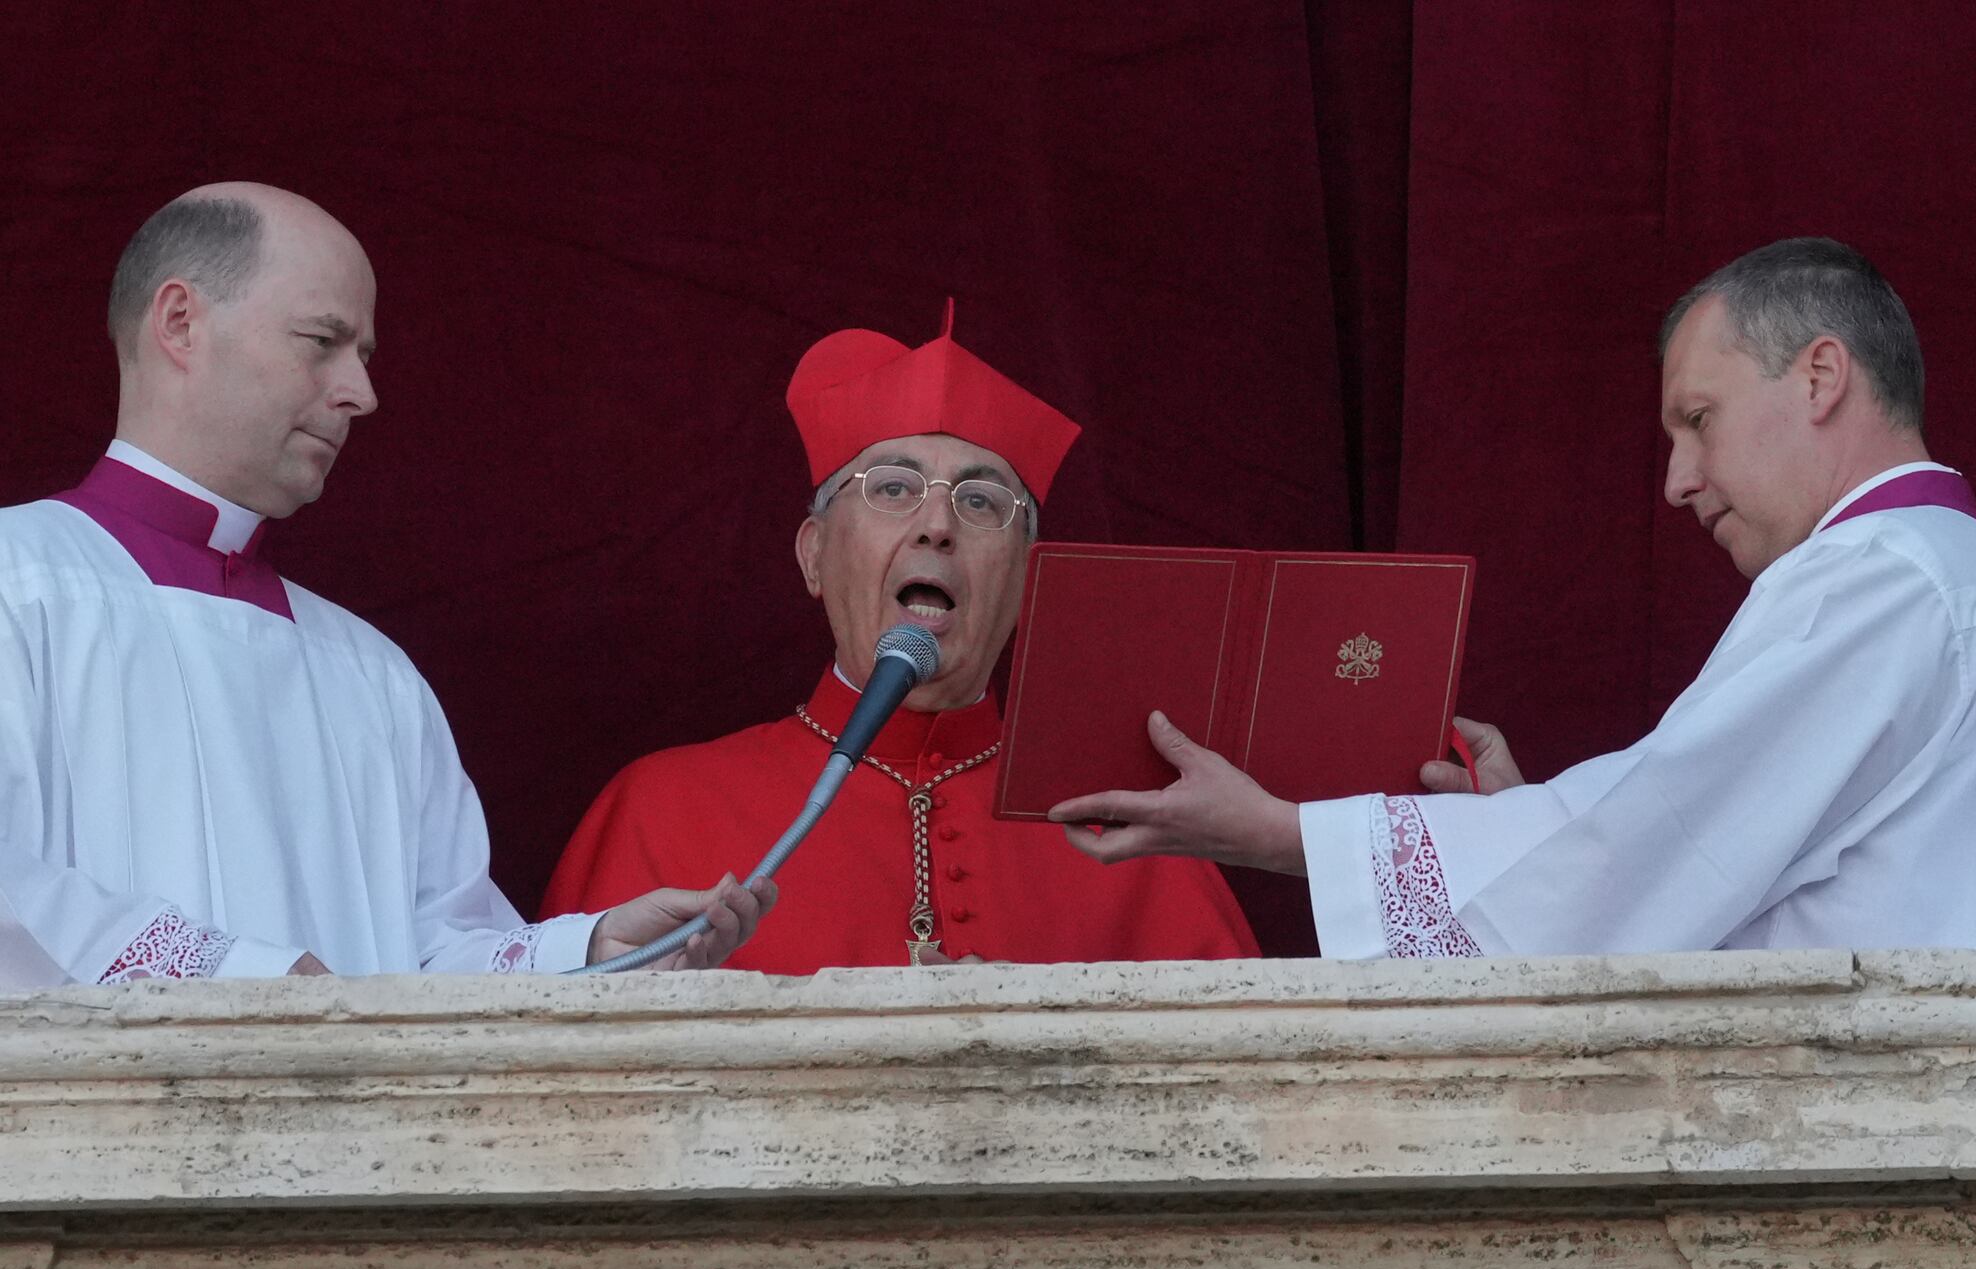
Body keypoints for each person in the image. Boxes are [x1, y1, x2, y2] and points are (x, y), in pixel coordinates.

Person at [1052, 238, 1976, 956]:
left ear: (1821, 377)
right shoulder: (1952, 568)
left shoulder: (1878, 581)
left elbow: (1653, 852)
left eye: (1699, 421)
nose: (1678, 480)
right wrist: (1508, 823)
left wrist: (1284, 834)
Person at [0, 183, 772, 987]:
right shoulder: (15, 582)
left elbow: (434, 959)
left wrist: (589, 952)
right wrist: (235, 980)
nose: (360, 395)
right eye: (321, 340)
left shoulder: (369, 671)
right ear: (181, 323)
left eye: (362, 356)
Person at [541, 304, 1258, 970]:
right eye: (891, 488)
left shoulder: (1137, 834)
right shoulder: (661, 809)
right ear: (814, 555)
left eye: (981, 501)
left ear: (1026, 582)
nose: (937, 525)